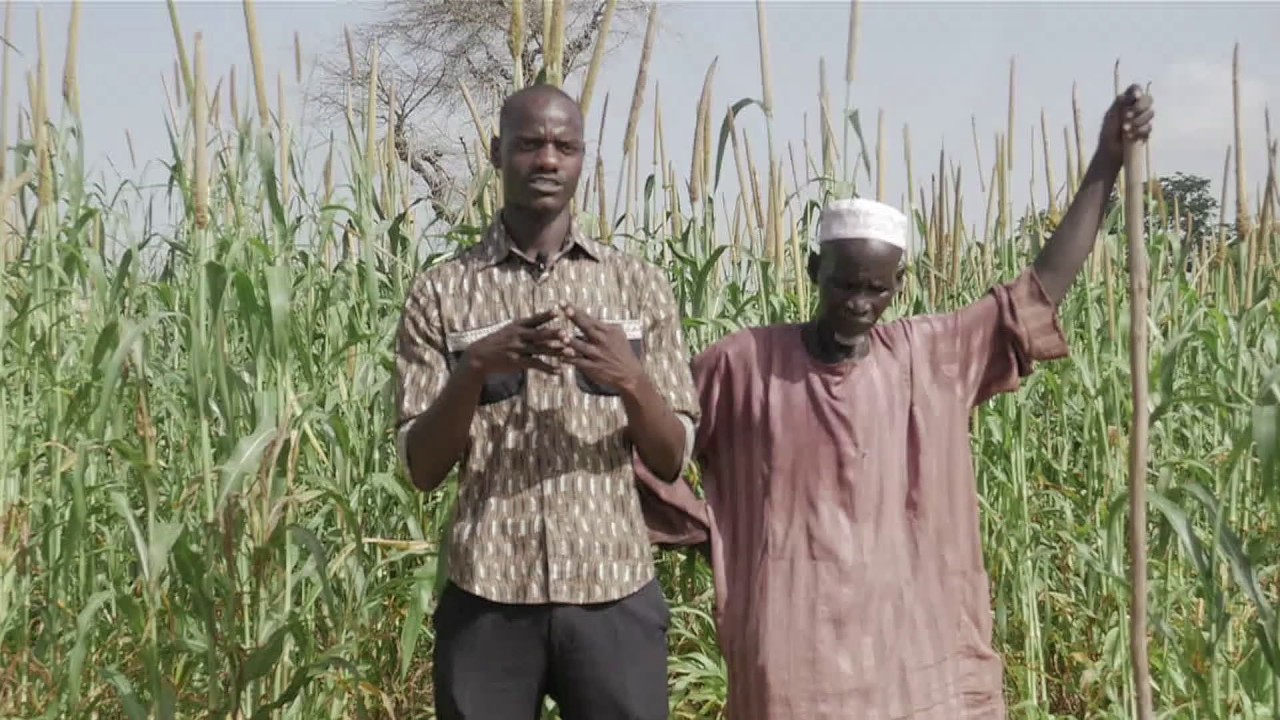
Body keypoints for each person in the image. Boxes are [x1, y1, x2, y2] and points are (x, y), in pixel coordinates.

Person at [681, 86, 1155, 718]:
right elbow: (658, 440)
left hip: (914, 654)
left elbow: (1039, 291)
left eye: (876, 289)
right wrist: (712, 529)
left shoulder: (932, 357)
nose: (859, 303)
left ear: (899, 285)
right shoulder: (743, 364)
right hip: (794, 660)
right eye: (844, 283)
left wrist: (1106, 160)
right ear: (811, 267)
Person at [393, 83, 700, 720]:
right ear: (495, 151)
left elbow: (671, 459)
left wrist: (632, 380)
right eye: (529, 144)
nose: (547, 160)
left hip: (614, 591)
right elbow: (422, 469)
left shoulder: (637, 285)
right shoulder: (442, 293)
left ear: (583, 158)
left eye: (565, 146)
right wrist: (474, 370)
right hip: (488, 595)